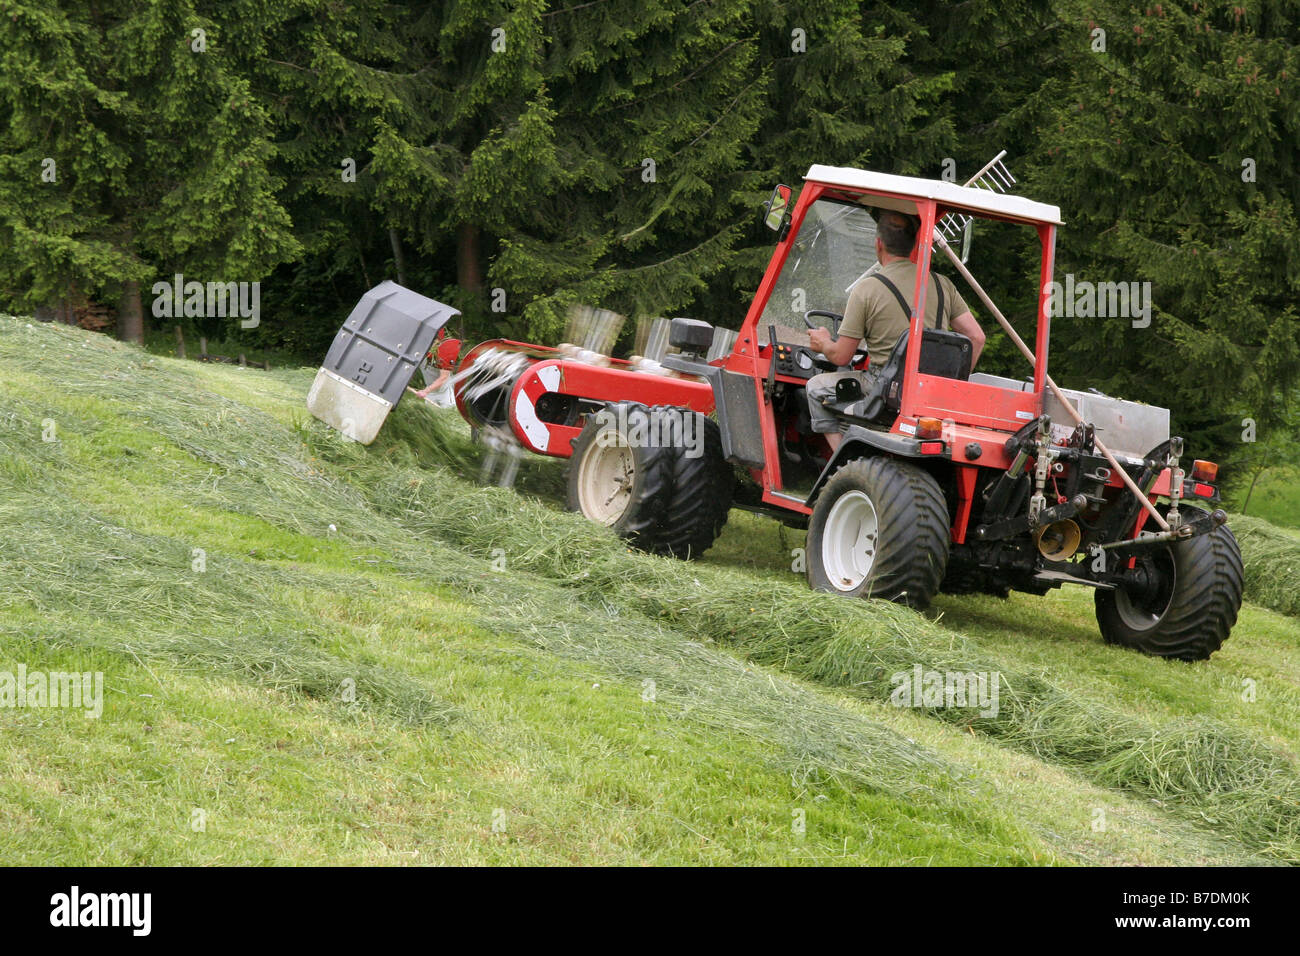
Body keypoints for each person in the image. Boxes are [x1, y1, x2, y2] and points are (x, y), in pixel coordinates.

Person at [805, 209, 986, 450]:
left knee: (815, 388)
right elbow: (976, 337)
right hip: (931, 390)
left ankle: (841, 462)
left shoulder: (867, 289)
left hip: (884, 387)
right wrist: (950, 386)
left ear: (878, 244)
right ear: (912, 245)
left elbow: (841, 356)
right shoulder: (943, 284)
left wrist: (823, 342)